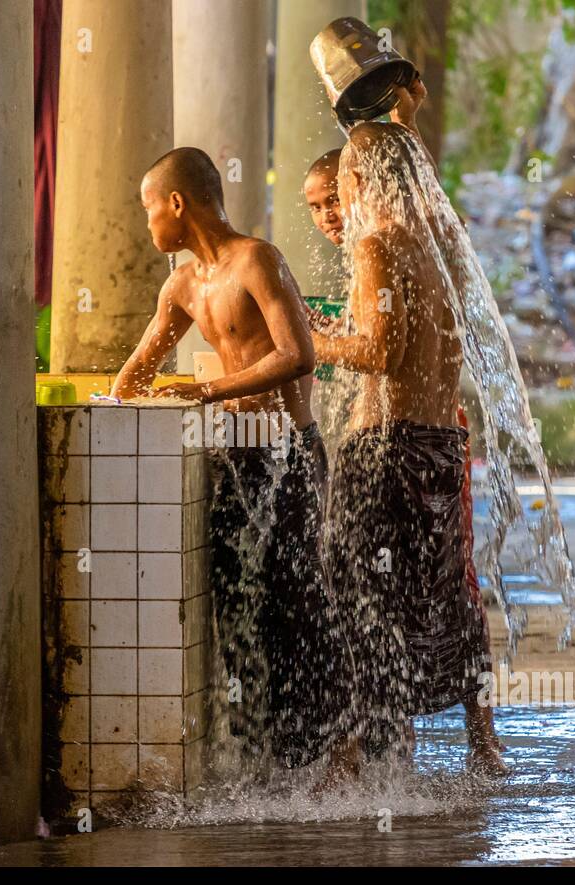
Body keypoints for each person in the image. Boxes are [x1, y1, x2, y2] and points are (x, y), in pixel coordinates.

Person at [112, 147, 351, 769]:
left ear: (176, 204)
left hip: (289, 452)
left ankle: (337, 753)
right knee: (238, 602)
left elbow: (298, 355)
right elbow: (132, 378)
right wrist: (119, 413)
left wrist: (207, 391)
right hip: (238, 461)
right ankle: (267, 755)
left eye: (146, 211)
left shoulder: (257, 260)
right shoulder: (183, 285)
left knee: (299, 599)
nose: (146, 226)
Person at [312, 117, 508, 776]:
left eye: (341, 184)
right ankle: (484, 747)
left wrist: (308, 343)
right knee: (448, 593)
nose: (340, 203)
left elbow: (376, 351)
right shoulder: (443, 245)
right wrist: (407, 116)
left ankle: (347, 760)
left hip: (385, 447)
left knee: (357, 593)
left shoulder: (379, 246)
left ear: (361, 180)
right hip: (441, 443)